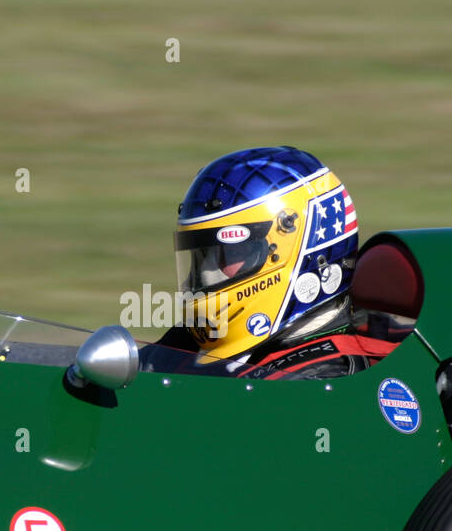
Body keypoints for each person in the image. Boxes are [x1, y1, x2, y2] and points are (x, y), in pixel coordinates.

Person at [141, 146, 396, 379]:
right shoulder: (194, 343)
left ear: (301, 251)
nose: (205, 274)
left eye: (227, 255)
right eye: (202, 257)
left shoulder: (322, 379)